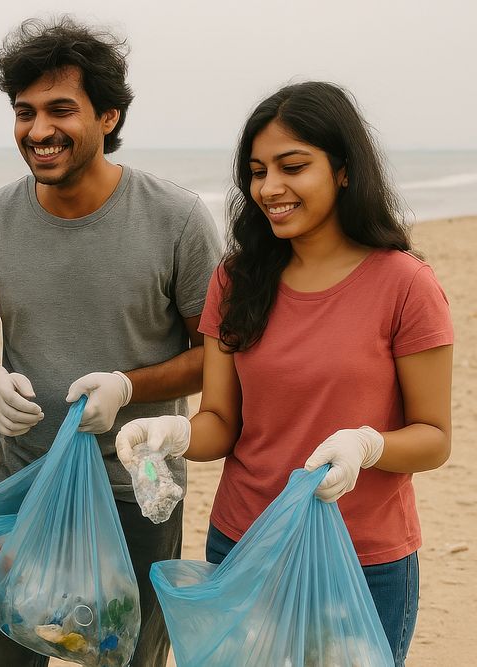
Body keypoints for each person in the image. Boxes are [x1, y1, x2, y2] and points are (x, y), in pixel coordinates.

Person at [116, 81, 453, 666]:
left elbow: (435, 438)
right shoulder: (237, 279)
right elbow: (222, 422)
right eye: (256, 171)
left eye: (292, 167)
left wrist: (366, 445)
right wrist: (169, 435)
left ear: (343, 170)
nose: (269, 188)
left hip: (362, 559)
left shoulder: (405, 285)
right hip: (244, 545)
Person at [0, 17, 222, 667]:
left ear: (108, 115)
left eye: (60, 109)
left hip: (137, 493)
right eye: (24, 112)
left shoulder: (176, 218)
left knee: (131, 657)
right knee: (8, 655)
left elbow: (217, 356)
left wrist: (129, 386)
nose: (38, 130)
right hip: (19, 490)